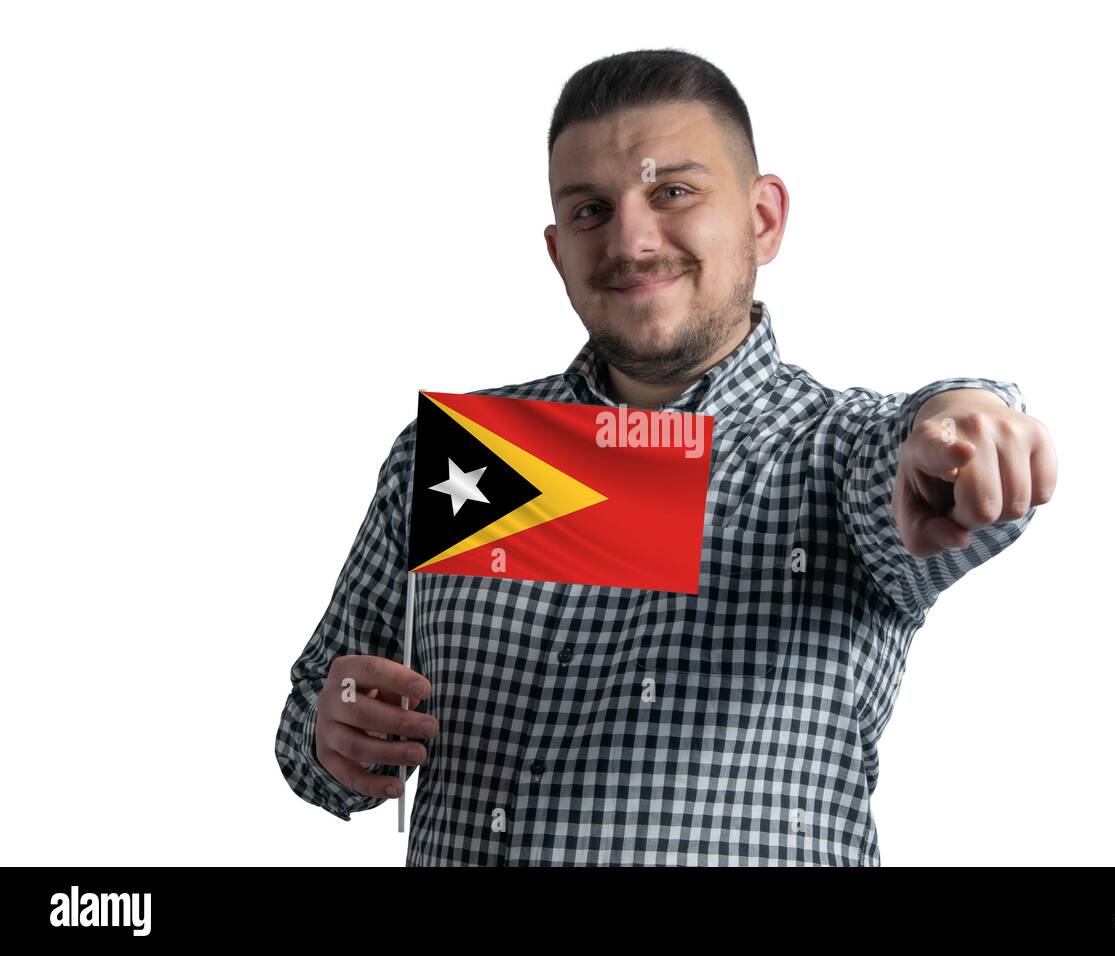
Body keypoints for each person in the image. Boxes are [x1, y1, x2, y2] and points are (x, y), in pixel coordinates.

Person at [275, 48, 1057, 866]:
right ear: (556, 250)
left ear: (763, 219)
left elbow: (920, 453)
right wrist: (335, 736)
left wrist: (967, 419)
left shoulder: (832, 456)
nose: (632, 241)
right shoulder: (457, 457)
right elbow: (310, 732)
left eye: (672, 192)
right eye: (589, 211)